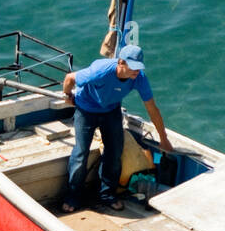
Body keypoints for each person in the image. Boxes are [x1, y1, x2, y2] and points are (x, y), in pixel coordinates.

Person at [60, 44, 173, 212]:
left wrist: (164, 139)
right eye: (133, 67)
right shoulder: (100, 71)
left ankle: (107, 194)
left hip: (111, 110)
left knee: (114, 151)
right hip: (86, 109)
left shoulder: (139, 78)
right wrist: (68, 96)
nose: (136, 71)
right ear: (121, 62)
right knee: (81, 152)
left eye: (139, 67)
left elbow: (152, 109)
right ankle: (73, 195)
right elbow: (70, 78)